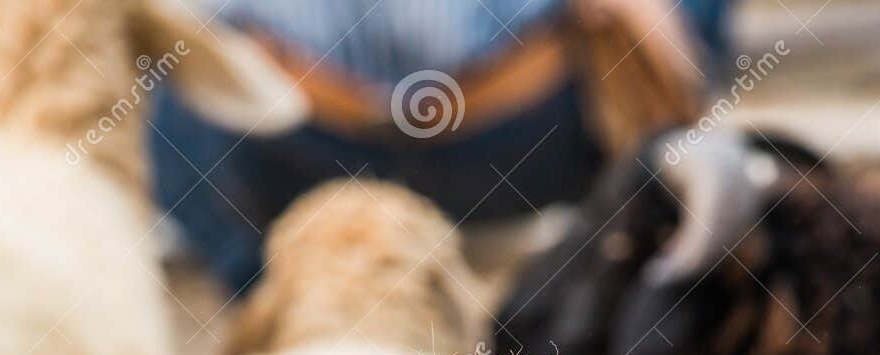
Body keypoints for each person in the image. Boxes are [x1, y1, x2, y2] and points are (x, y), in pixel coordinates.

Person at [152, 0, 736, 291]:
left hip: (519, 131)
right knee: (163, 62)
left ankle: (614, 302)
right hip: (298, 141)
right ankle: (268, 306)